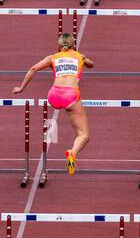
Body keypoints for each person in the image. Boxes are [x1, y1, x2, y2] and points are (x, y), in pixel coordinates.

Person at [13, 33, 92, 176]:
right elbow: (92, 65)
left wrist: (21, 88)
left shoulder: (52, 58)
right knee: (83, 134)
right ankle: (72, 153)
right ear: (73, 45)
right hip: (71, 96)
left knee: (62, 108)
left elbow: (33, 69)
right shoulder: (79, 56)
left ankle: (68, 154)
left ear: (59, 45)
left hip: (53, 95)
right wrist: (85, 59)